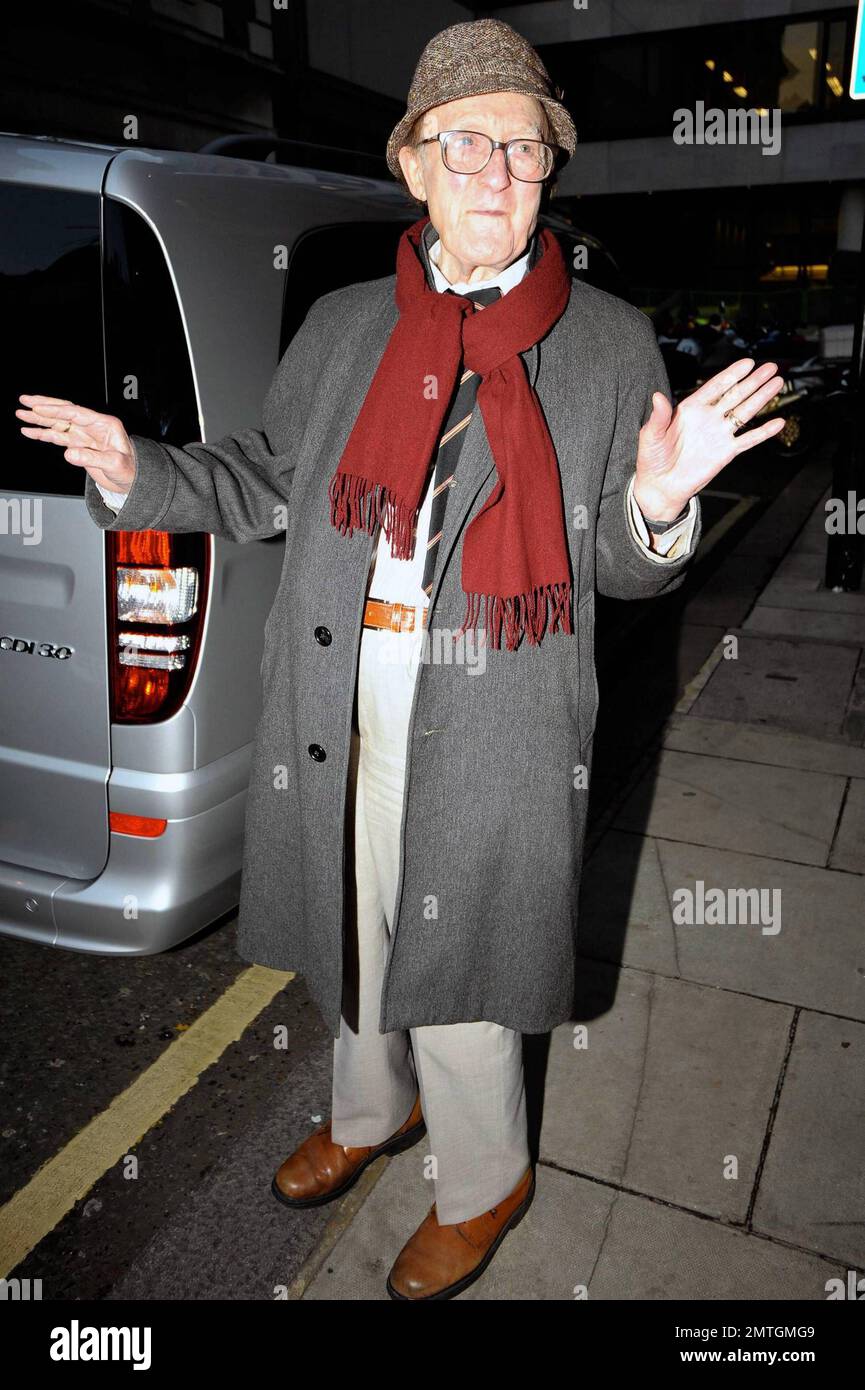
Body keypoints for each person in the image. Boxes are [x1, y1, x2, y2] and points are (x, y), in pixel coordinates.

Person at [15, 17, 785, 1301]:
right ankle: (372, 1115)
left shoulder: (605, 342)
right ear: (414, 166)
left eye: (524, 147)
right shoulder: (343, 325)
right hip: (341, 693)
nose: (496, 169)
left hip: (500, 718)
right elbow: (269, 482)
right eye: (465, 142)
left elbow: (619, 566)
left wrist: (656, 507)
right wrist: (137, 469)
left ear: (550, 173)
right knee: (351, 925)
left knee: (468, 967)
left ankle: (486, 1181)